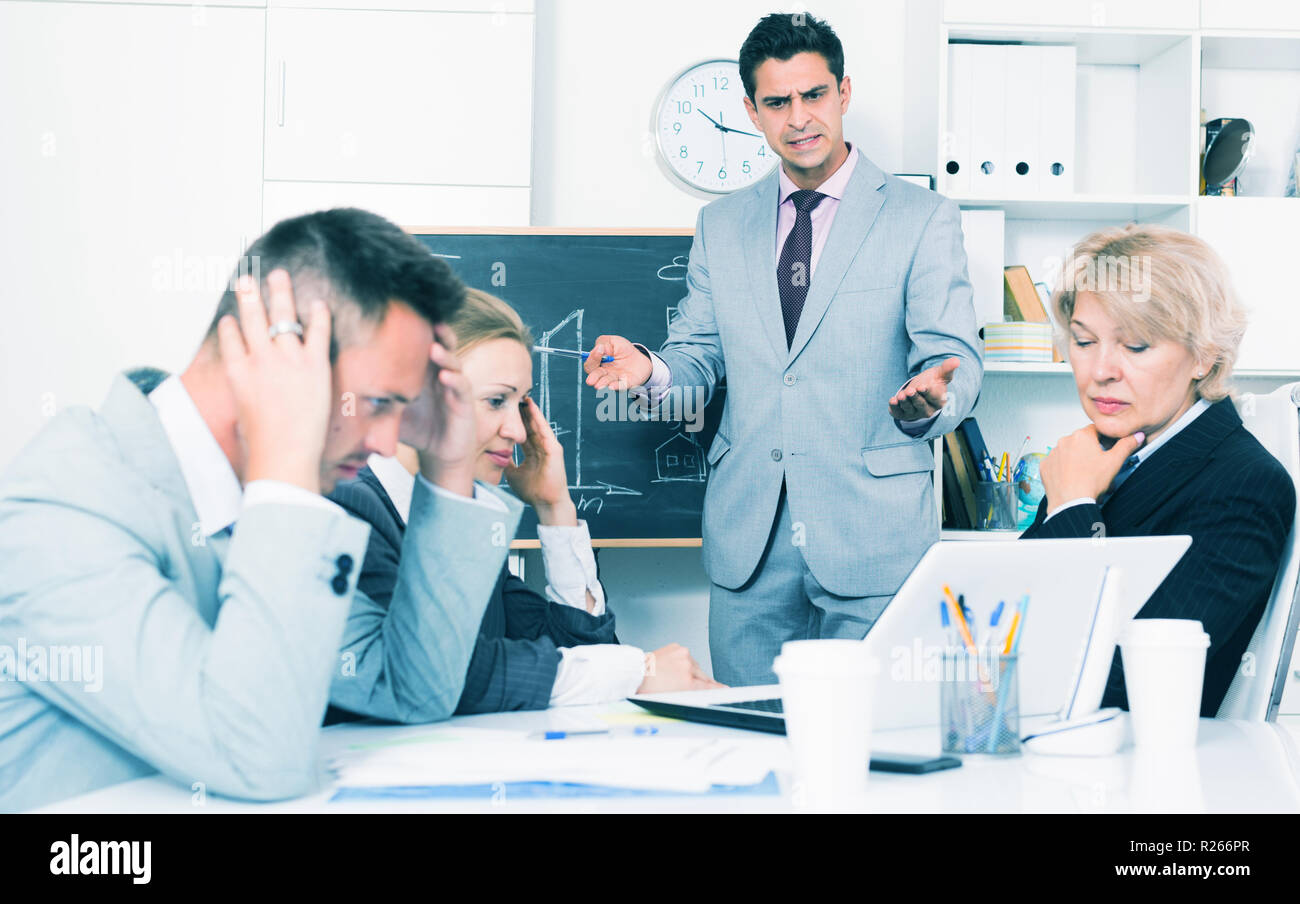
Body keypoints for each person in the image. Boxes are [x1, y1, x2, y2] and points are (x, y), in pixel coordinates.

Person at [0, 208, 510, 812]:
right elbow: (257, 758)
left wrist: (449, 468)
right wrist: (286, 474)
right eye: (376, 403)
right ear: (281, 351)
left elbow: (410, 689)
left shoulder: (256, 501)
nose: (383, 442)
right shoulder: (67, 508)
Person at [581, 13, 982, 685]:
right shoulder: (721, 224)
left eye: (814, 95)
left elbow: (954, 361)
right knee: (749, 752)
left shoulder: (922, 217)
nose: (799, 117)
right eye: (777, 102)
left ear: (844, 93)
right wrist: (651, 370)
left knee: (868, 752)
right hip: (751, 548)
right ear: (752, 112)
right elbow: (699, 356)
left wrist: (930, 402)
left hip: (873, 540)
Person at [328, 289, 721, 718]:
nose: (517, 431)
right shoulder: (346, 512)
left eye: (521, 404)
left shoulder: (458, 519)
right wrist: (635, 671)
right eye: (496, 401)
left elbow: (579, 649)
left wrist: (555, 510)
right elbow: (438, 674)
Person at [1021, 224, 1296, 716]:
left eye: (1136, 346)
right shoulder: (1101, 453)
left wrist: (1072, 508)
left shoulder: (1246, 485)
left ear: (1205, 355)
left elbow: (1133, 683)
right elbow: (1007, 614)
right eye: (1084, 342)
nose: (1100, 369)